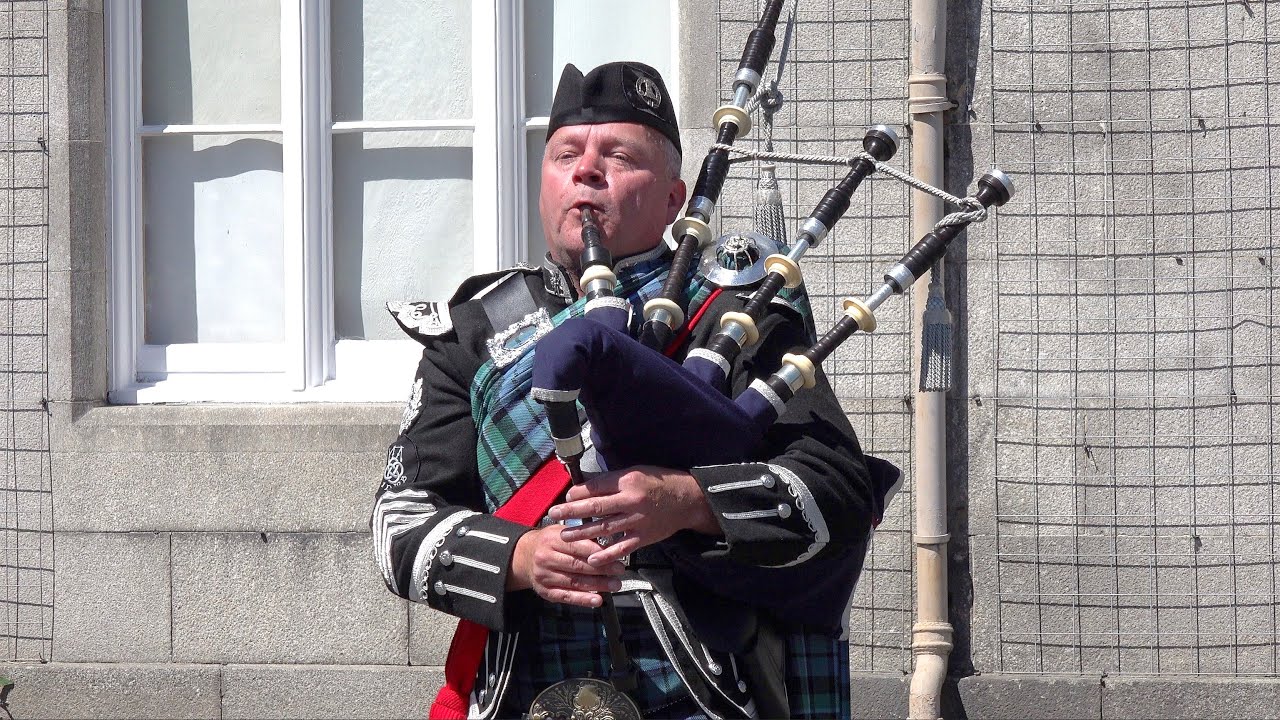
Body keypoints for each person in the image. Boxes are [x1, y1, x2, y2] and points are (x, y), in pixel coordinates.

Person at [372, 60, 888, 719]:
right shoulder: (471, 333)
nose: (587, 172)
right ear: (543, 182)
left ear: (675, 201)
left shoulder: (740, 315)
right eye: (565, 156)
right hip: (524, 686)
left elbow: (839, 491)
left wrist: (689, 501)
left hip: (706, 686)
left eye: (619, 156)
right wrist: (524, 557)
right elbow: (400, 525)